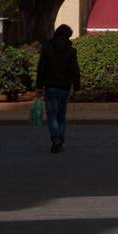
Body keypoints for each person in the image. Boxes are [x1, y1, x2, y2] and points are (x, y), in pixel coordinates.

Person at [35, 24, 81, 154]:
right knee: (61, 115)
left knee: (51, 115)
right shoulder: (71, 51)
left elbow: (41, 69)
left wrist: (39, 86)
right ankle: (60, 139)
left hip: (49, 86)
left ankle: (55, 139)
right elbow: (74, 69)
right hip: (64, 87)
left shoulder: (46, 49)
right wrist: (77, 85)